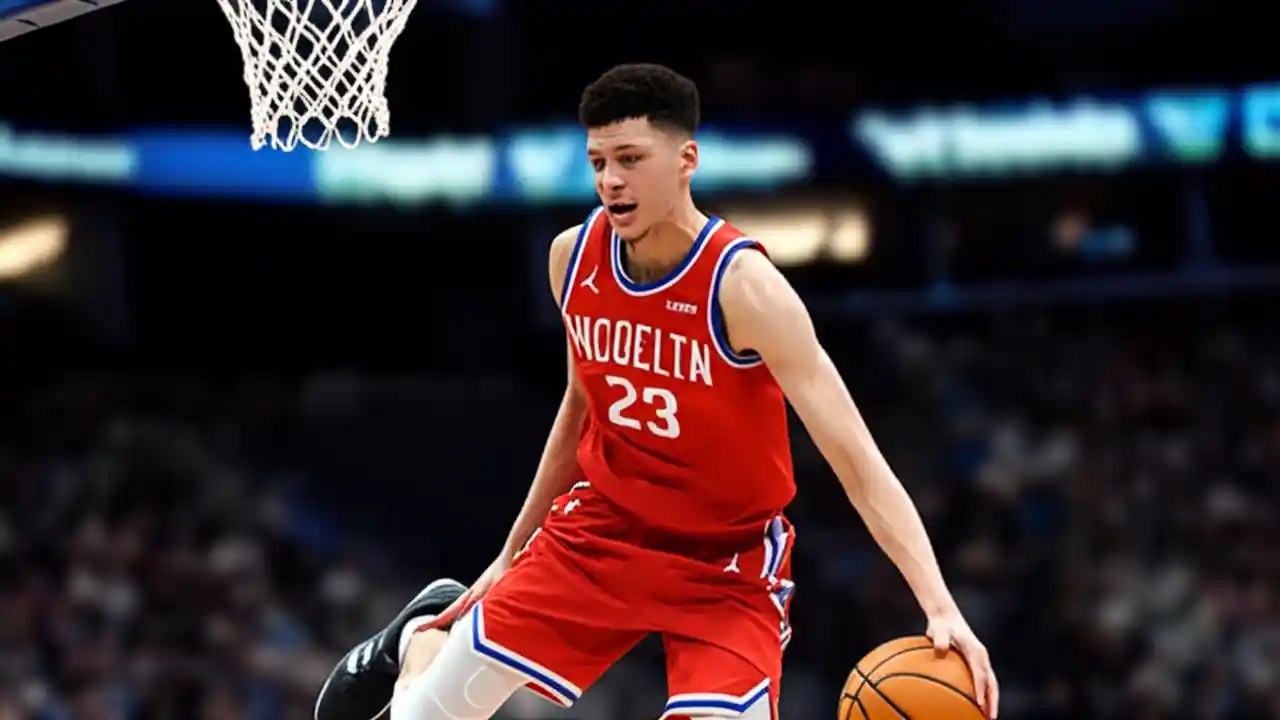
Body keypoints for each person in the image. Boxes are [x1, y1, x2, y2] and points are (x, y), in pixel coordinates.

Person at [319, 62, 1000, 720]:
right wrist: (508, 554)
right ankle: (419, 641)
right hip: (603, 531)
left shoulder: (746, 289)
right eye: (597, 162)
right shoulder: (572, 259)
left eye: (630, 158)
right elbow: (580, 408)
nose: (610, 180)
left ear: (686, 160)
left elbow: (857, 460)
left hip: (724, 564)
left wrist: (939, 604)